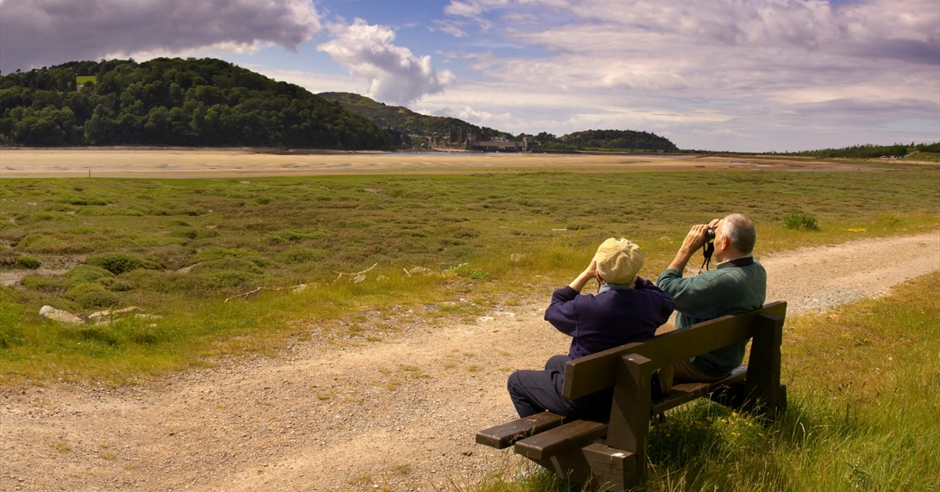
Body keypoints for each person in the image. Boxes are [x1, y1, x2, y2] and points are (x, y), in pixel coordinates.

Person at [507, 238, 674, 421]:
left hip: (586, 402)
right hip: (627, 390)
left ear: (599, 274)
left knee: (516, 381)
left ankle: (542, 438)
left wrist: (586, 273)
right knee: (555, 362)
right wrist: (630, 274)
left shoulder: (586, 308)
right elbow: (666, 299)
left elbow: (554, 308)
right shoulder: (650, 303)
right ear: (635, 273)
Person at [656, 213, 767, 383]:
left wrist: (686, 249)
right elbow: (737, 244)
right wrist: (724, 228)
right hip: (723, 358)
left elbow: (664, 290)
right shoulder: (757, 271)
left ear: (724, 243)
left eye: (717, 236)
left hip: (699, 363)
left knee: (635, 337)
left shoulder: (720, 283)